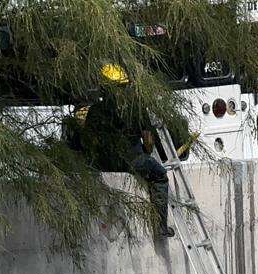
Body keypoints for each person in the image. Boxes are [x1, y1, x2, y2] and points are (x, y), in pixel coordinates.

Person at [64, 64, 192, 238]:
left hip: (103, 163)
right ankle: (160, 226)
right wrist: (146, 152)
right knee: (160, 175)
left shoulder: (94, 111)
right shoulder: (135, 108)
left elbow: (88, 143)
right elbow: (149, 141)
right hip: (130, 161)